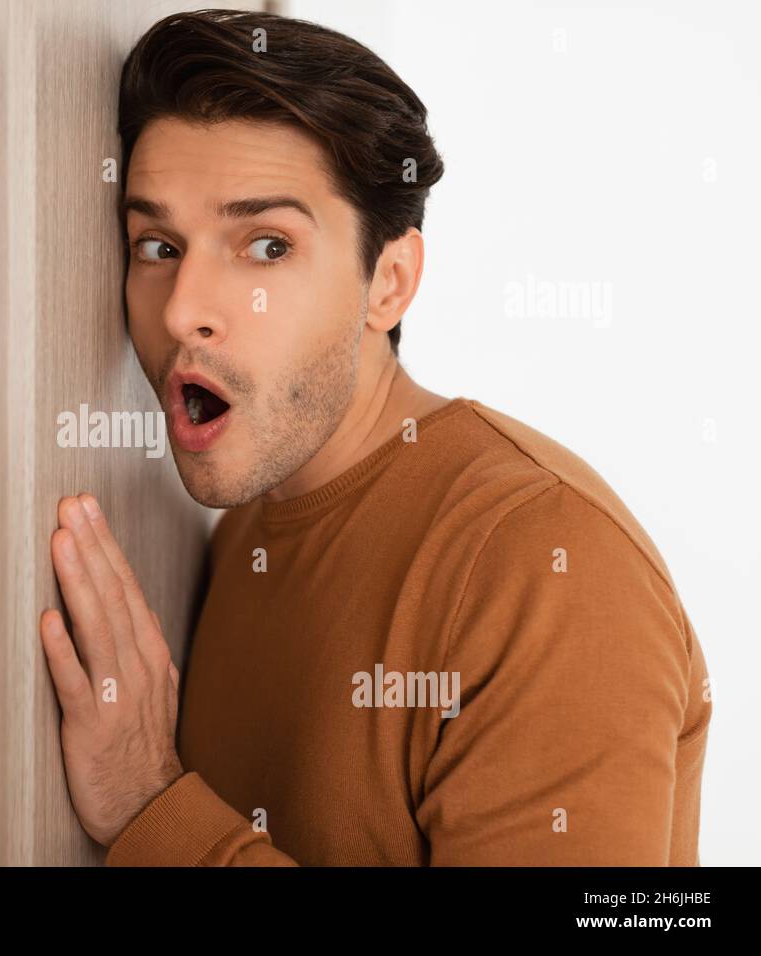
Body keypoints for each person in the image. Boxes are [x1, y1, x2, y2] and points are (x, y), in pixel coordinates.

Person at [37, 9, 711, 865]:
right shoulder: (249, 524)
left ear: (388, 284)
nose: (182, 310)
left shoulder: (548, 565)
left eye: (267, 246)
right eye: (158, 244)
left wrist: (151, 804)